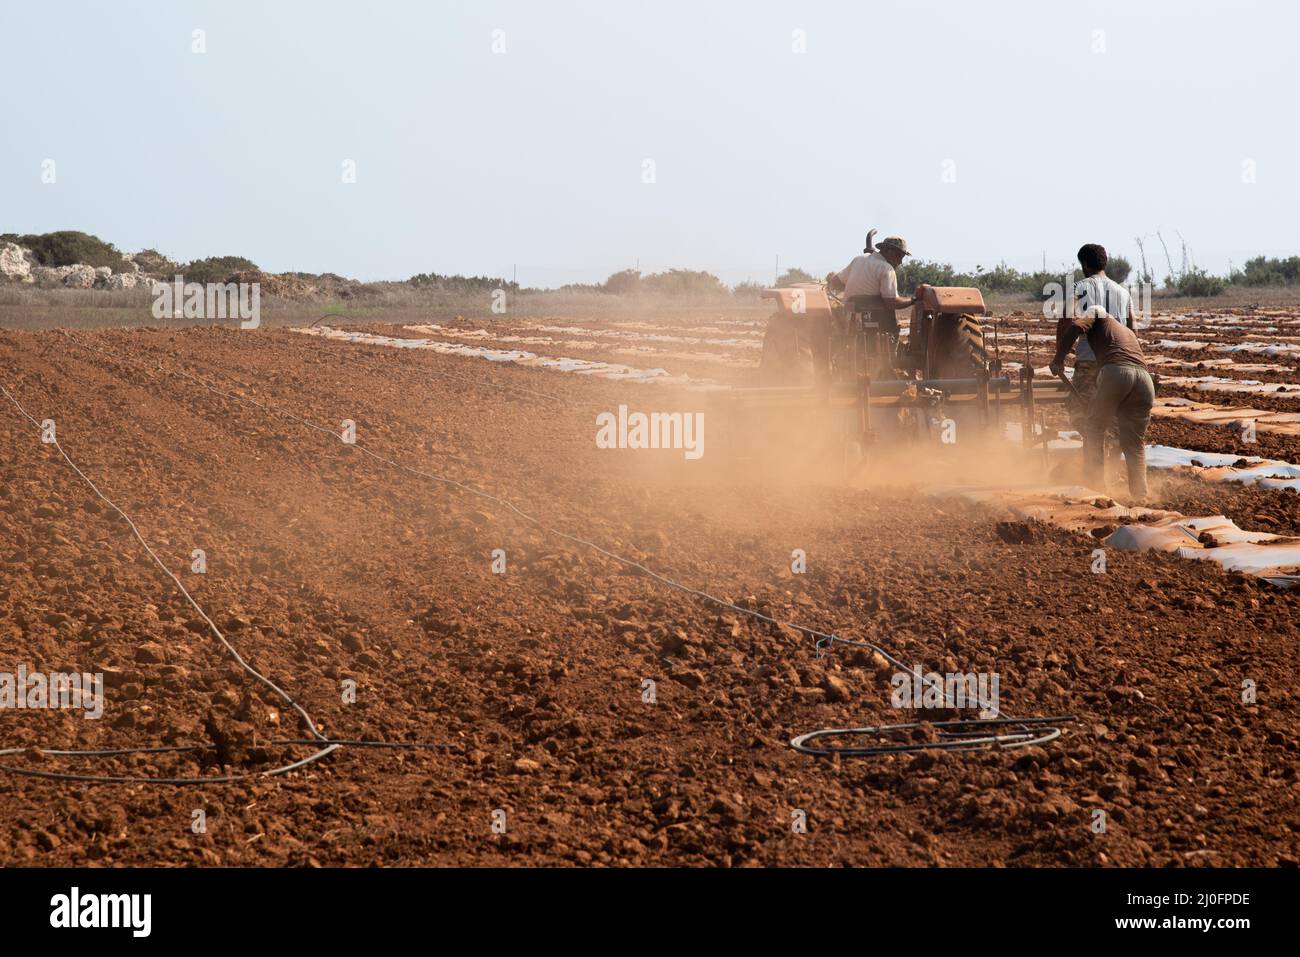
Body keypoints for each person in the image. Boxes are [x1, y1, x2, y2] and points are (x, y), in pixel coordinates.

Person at [1049, 249, 1155, 501]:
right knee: (1129, 435)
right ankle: (1138, 492)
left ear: (1084, 264)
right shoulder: (1123, 292)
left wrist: (1059, 356)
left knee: (1085, 418)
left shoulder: (1080, 288)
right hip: (1136, 368)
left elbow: (1068, 319)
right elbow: (1133, 330)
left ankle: (1096, 482)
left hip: (1094, 364)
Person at [826, 232, 927, 369]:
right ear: (888, 251)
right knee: (889, 322)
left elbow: (835, 282)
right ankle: (891, 361)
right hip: (878, 324)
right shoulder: (886, 269)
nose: (900, 261)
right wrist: (914, 299)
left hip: (850, 318)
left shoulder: (858, 260)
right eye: (899, 256)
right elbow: (891, 302)